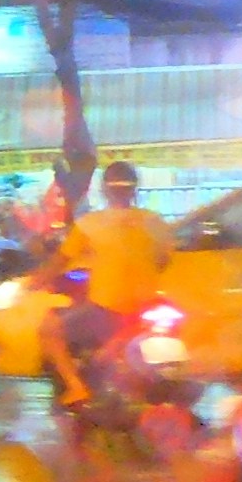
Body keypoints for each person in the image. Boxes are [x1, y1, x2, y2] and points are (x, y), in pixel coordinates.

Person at [40, 161, 170, 403]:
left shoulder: (90, 224)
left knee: (49, 328)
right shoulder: (156, 223)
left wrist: (33, 282)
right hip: (148, 306)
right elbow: (163, 260)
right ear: (134, 189)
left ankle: (76, 386)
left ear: (104, 190)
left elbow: (59, 262)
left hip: (106, 310)